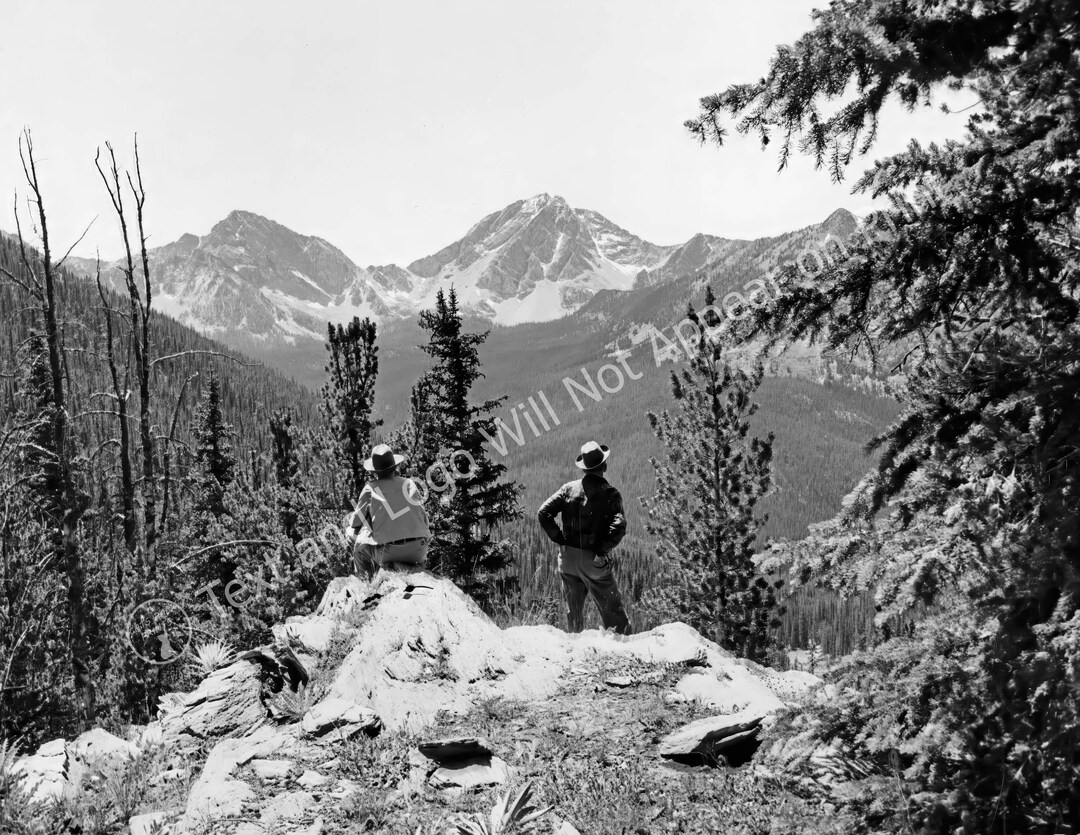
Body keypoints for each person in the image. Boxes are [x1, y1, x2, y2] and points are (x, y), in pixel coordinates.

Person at [537, 440, 631, 634]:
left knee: (574, 613)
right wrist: (600, 552)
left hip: (568, 559)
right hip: (593, 561)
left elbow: (543, 512)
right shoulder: (611, 493)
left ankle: (575, 648)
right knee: (613, 612)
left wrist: (560, 540)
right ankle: (624, 650)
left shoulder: (568, 489)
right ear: (604, 466)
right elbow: (619, 526)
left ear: (584, 469)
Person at [346, 444, 430, 574]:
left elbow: (355, 524)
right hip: (419, 551)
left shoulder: (370, 489)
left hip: (388, 553)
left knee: (351, 537)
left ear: (374, 471)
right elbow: (424, 518)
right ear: (394, 466)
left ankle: (366, 583)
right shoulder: (410, 484)